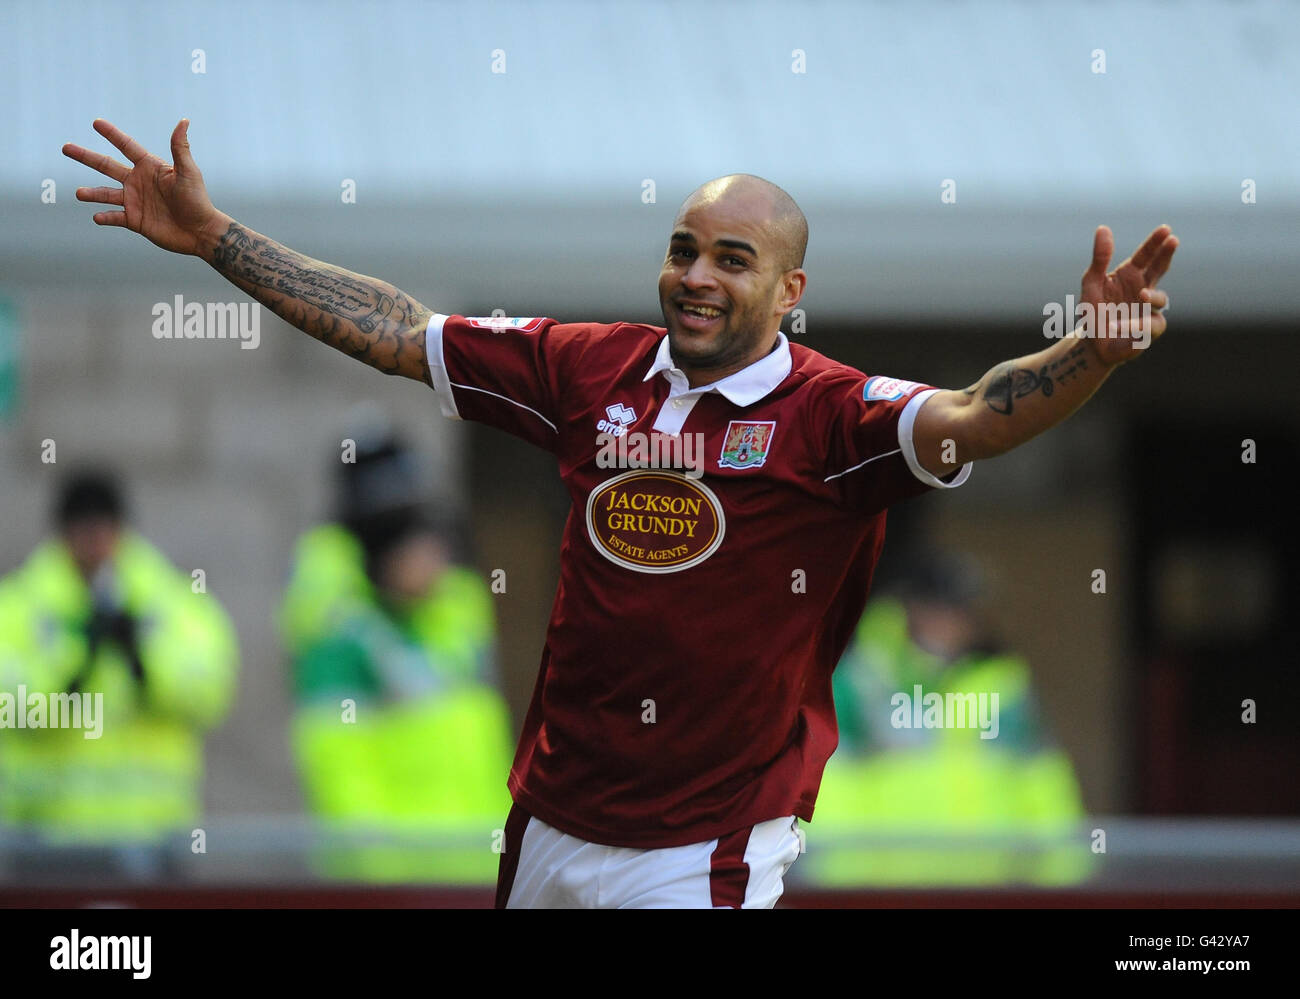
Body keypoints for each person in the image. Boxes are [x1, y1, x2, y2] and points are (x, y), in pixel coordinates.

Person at [62, 118, 1177, 908]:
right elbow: (403, 330)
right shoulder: (586, 370)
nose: (695, 275)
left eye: (732, 261)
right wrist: (217, 240)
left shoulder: (832, 416)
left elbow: (981, 414)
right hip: (552, 817)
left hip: (703, 844)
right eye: (682, 249)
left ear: (790, 292)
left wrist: (1092, 350)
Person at [280, 424, 513, 883]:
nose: (437, 556)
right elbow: (338, 766)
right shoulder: (338, 626)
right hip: (404, 881)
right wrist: (381, 881)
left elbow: (481, 740)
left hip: (477, 872)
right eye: (418, 542)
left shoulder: (454, 606)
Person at [0, 470, 237, 875]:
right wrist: (76, 665)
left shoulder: (168, 600)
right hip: (46, 837)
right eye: (82, 530)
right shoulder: (20, 606)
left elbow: (209, 692)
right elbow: (14, 708)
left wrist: (142, 663)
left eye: (103, 528)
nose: (94, 544)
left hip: (154, 838)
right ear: (62, 534)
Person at [807, 552, 1092, 887]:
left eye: (964, 610)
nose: (953, 621)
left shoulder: (1004, 683)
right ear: (912, 607)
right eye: (941, 608)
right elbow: (834, 784)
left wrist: (1065, 871)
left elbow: (1042, 779)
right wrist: (844, 882)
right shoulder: (864, 681)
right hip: (891, 889)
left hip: (990, 887)